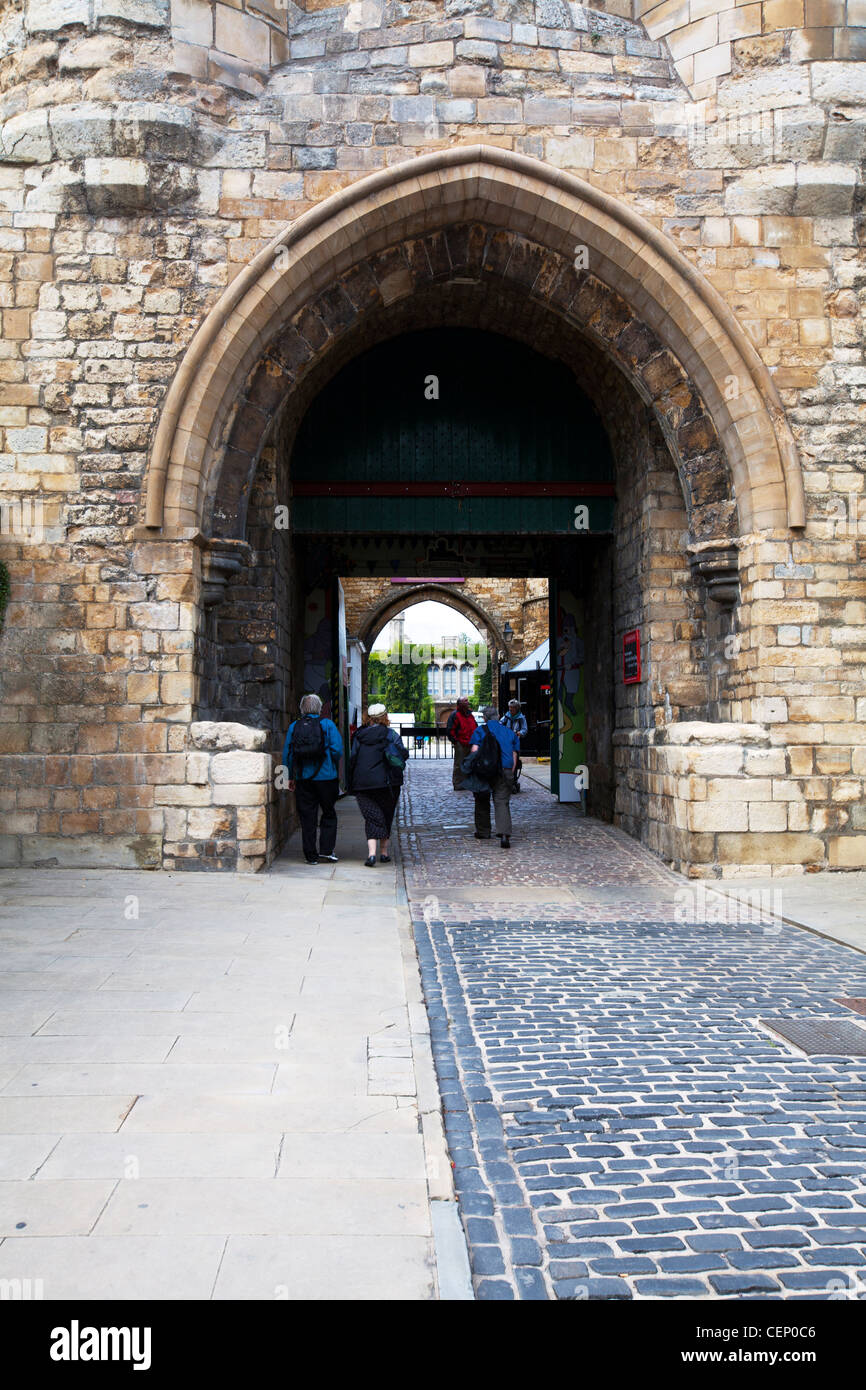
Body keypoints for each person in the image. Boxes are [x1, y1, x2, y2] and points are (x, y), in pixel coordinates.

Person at [282, 693, 344, 865]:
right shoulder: (328, 725)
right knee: (329, 813)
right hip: (327, 777)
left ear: (302, 708)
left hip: (303, 778)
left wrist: (289, 777)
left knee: (307, 817)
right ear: (319, 708)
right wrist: (330, 764)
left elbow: (287, 753)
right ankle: (326, 851)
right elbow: (337, 750)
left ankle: (310, 855)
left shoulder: (294, 726)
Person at [349, 703, 409, 867]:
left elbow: (353, 758)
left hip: (363, 783)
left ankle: (371, 855)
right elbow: (403, 755)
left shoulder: (359, 735)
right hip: (388, 783)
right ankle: (384, 852)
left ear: (367, 717)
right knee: (386, 815)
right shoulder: (391, 735)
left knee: (371, 817)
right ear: (385, 717)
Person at [462, 703, 519, 849]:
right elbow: (514, 755)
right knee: (501, 801)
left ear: (484, 718)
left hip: (485, 771)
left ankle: (483, 831)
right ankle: (504, 834)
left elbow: (475, 751)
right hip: (504, 769)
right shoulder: (509, 732)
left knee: (481, 799)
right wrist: (510, 772)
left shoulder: (479, 731)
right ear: (499, 717)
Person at [445, 696, 478, 790]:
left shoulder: (470, 715)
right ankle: (457, 783)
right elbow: (450, 729)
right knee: (459, 764)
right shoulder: (455, 715)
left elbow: (474, 726)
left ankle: (467, 782)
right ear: (460, 703)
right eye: (465, 701)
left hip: (471, 743)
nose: (468, 702)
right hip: (461, 743)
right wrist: (455, 741)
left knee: (470, 764)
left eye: (467, 700)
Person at [500, 699, 528, 793]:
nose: (510, 709)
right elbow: (500, 723)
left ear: (516, 708)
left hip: (515, 743)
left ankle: (512, 782)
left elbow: (525, 729)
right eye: (509, 708)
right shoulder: (507, 716)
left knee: (514, 763)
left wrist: (519, 733)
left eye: (512, 708)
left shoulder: (521, 718)